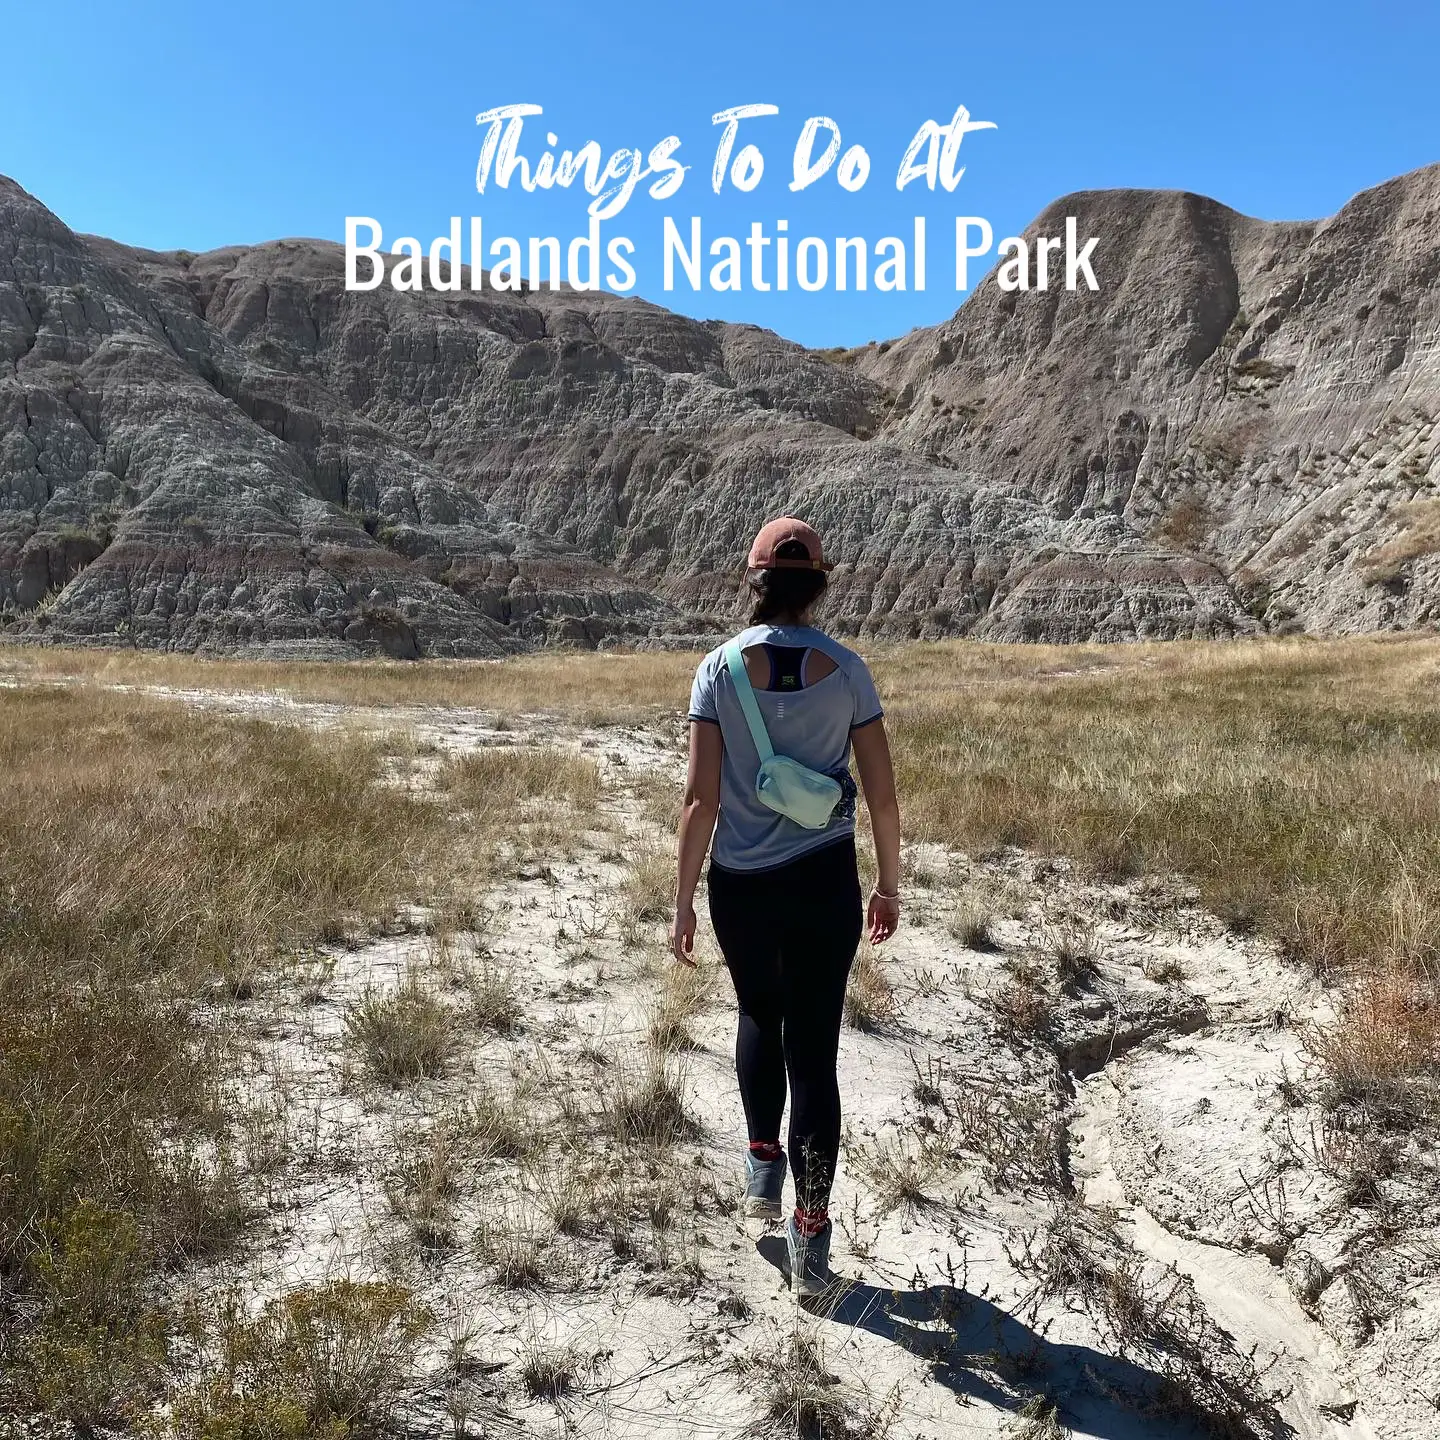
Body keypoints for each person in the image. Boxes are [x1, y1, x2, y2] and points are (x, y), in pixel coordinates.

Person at [670, 516, 901, 1299]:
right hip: (824, 881)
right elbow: (882, 796)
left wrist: (681, 901)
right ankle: (812, 1237)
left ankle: (761, 1169)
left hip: (740, 882)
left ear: (755, 579)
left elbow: (699, 801)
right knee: (815, 1053)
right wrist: (888, 883)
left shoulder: (717, 669)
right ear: (819, 585)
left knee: (756, 1015)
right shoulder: (849, 671)